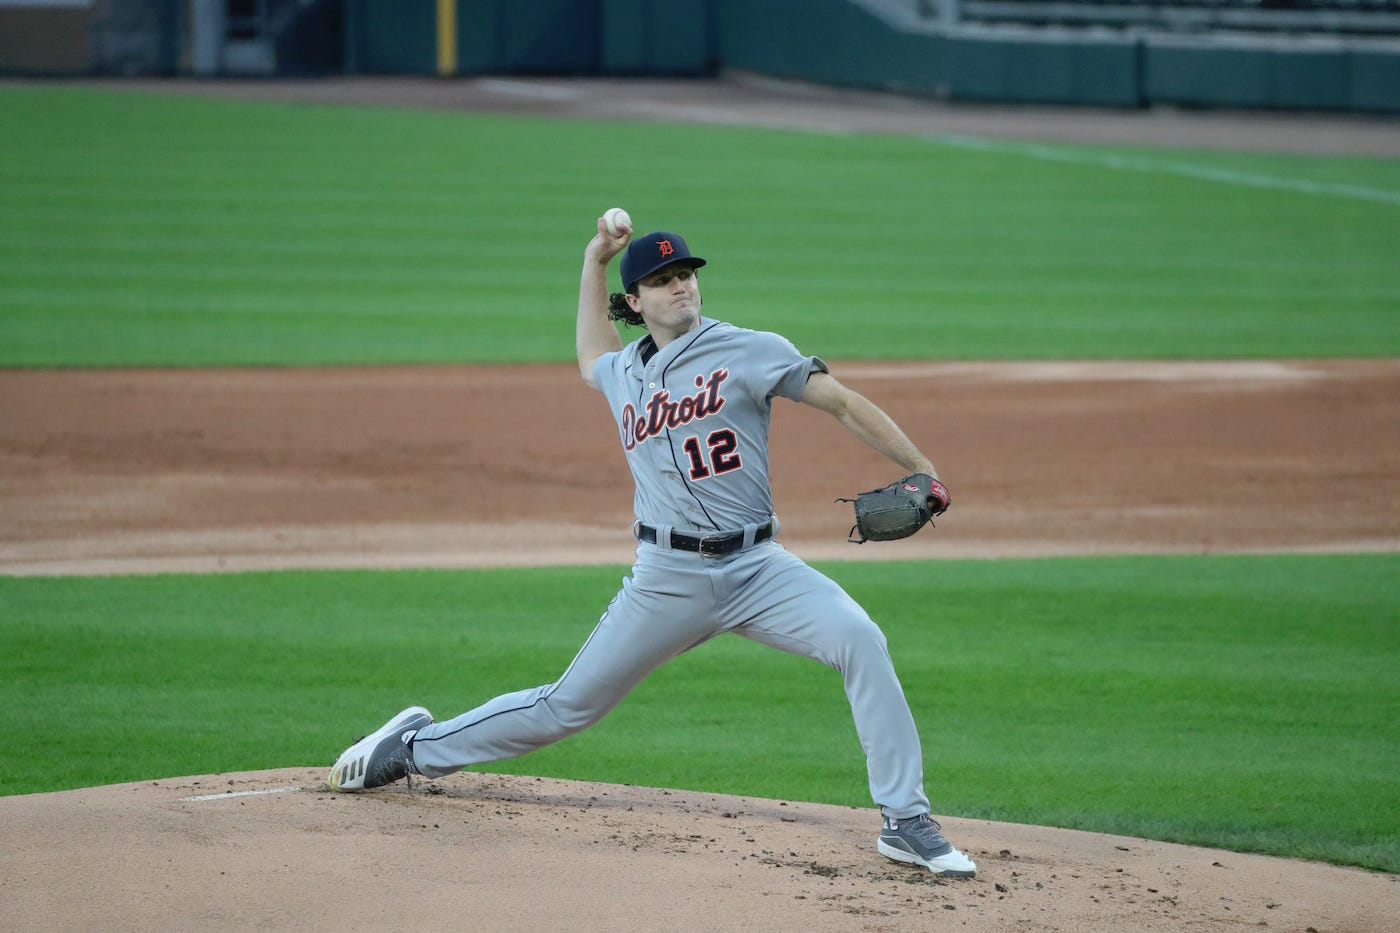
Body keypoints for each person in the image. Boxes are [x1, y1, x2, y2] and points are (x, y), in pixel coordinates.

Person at [327, 213, 977, 878]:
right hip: (667, 578)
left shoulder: (750, 349)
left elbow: (840, 402)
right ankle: (414, 747)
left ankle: (906, 819)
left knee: (860, 637)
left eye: (686, 274)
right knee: (565, 707)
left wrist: (923, 467)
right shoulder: (623, 372)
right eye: (663, 281)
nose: (681, 286)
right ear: (635, 301)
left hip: (759, 567)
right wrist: (594, 261)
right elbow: (591, 355)